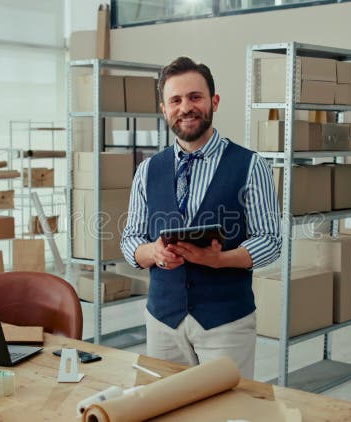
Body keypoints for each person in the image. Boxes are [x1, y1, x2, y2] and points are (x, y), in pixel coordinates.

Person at [120, 56, 281, 378]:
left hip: (225, 322)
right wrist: (152, 252)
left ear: (214, 102)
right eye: (175, 100)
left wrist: (221, 259)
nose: (185, 107)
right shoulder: (147, 170)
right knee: (167, 409)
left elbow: (271, 241)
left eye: (195, 97)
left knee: (228, 412)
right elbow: (130, 239)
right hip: (163, 320)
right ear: (164, 109)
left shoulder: (251, 165)